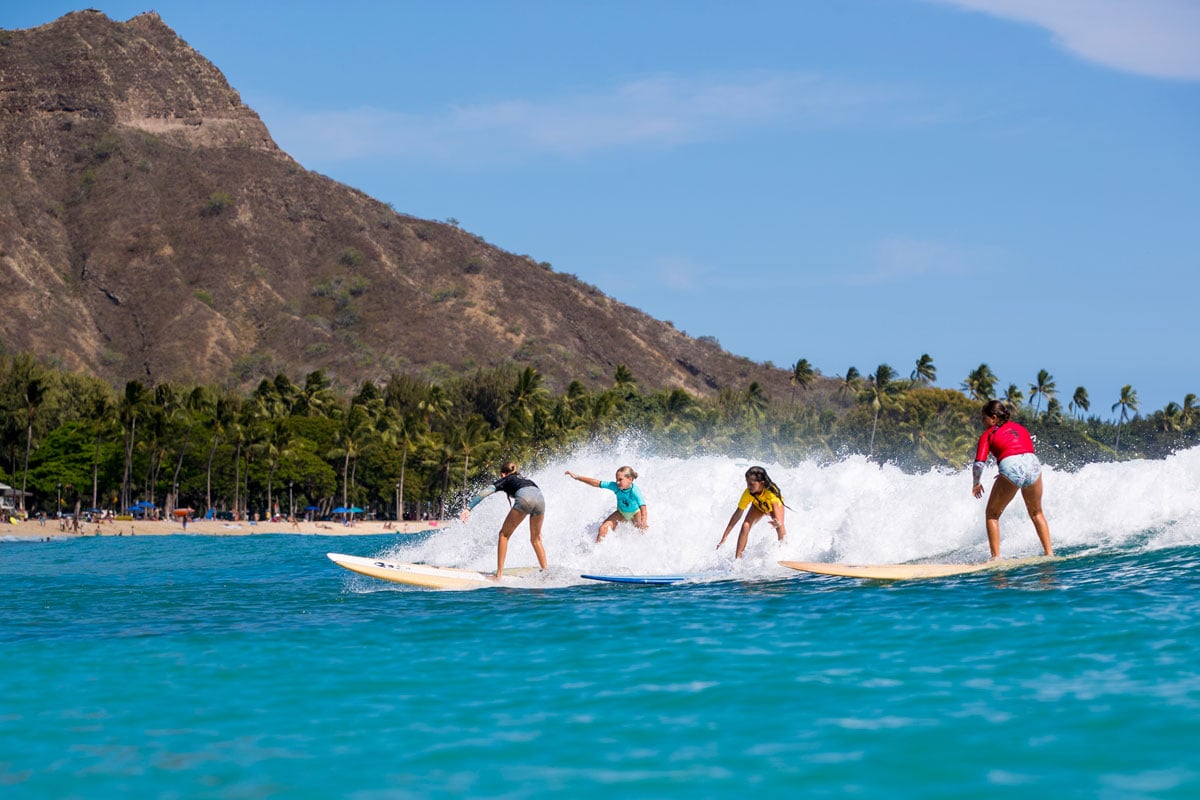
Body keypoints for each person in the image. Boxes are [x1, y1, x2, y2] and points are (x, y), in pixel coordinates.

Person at [972, 400, 1054, 559]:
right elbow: (1022, 453)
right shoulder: (1020, 428)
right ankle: (1049, 554)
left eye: (984, 418)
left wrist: (976, 483)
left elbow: (978, 464)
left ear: (994, 418)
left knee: (992, 514)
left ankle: (996, 559)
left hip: (1011, 468)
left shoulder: (988, 434)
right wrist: (1007, 472)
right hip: (1033, 464)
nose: (983, 422)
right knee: (1037, 512)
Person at [459, 461, 548, 579]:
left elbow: (484, 492)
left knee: (503, 535)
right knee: (536, 539)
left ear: (503, 474)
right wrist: (537, 527)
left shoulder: (506, 479)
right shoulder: (526, 480)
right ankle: (546, 572)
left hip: (525, 498)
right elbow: (534, 497)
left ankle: (498, 575)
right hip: (540, 499)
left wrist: (468, 508)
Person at [717, 466, 787, 558]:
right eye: (747, 483)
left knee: (779, 525)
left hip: (774, 506)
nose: (748, 487)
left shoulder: (770, 491)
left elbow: (775, 511)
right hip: (758, 506)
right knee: (745, 525)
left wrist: (776, 521)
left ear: (762, 483)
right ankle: (737, 559)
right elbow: (738, 514)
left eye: (752, 484)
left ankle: (784, 551)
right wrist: (725, 536)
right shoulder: (748, 493)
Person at [564, 466, 648, 542]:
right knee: (603, 529)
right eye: (616, 479)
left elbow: (643, 507)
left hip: (635, 514)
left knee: (641, 533)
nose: (617, 482)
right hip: (621, 513)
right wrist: (577, 477)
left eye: (620, 479)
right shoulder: (615, 486)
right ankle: (596, 552)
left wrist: (643, 521)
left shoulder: (635, 491)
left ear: (630, 479)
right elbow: (596, 483)